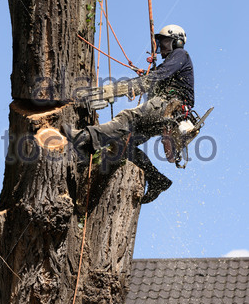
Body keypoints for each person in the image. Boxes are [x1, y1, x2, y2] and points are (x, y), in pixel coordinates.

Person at [63, 25, 194, 204]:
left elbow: (157, 77)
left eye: (163, 41)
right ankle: (156, 179)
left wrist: (120, 89)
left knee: (127, 118)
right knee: (122, 144)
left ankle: (86, 136)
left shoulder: (180, 55)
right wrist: (141, 79)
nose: (160, 46)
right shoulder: (172, 61)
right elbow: (156, 78)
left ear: (176, 41)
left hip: (170, 105)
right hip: (167, 115)